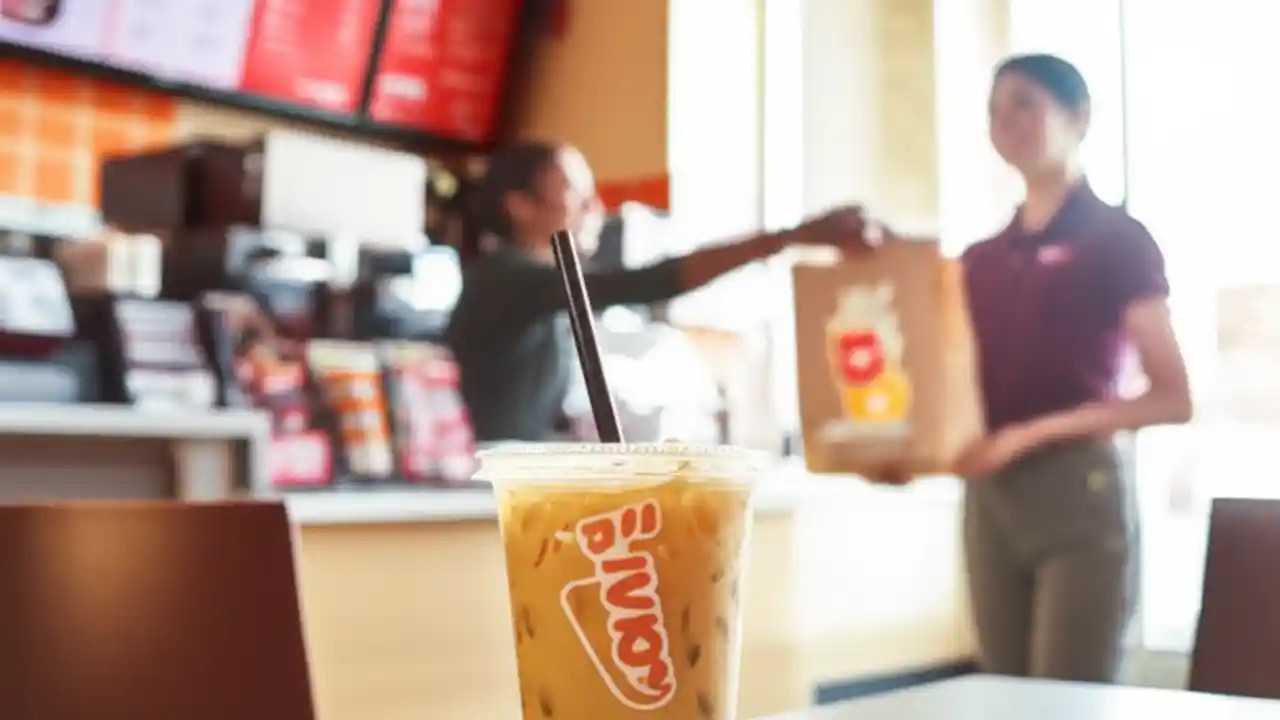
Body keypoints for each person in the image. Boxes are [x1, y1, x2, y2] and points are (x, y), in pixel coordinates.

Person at [870, 54, 1192, 682]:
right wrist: (909, 451)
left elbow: (1171, 397)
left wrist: (1025, 436)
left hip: (1076, 490)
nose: (1006, 121)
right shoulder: (979, 260)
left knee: (1067, 698)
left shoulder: (1118, 241)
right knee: (1004, 694)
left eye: (1025, 103)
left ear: (1078, 116)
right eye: (995, 110)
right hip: (991, 496)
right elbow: (946, 388)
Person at [446, 141, 864, 442]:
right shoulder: (507, 278)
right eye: (574, 191)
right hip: (493, 486)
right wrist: (792, 236)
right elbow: (649, 283)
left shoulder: (529, 284)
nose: (596, 206)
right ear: (520, 205)